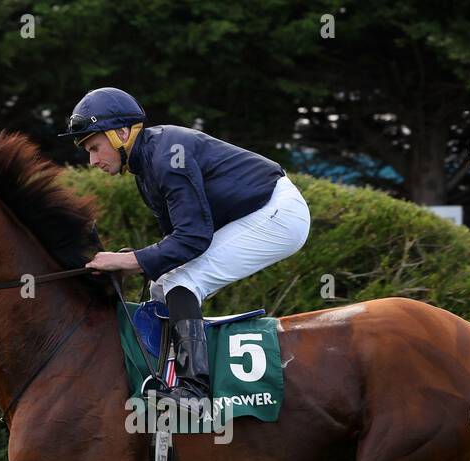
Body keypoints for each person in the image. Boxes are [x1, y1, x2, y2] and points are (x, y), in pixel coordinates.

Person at [61, 87, 311, 407]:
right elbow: (178, 245)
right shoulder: (147, 165)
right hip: (260, 212)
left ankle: (194, 390)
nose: (93, 160)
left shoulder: (165, 157)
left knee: (182, 281)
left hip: (278, 215)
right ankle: (169, 378)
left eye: (95, 148)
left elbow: (192, 240)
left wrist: (130, 261)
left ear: (122, 133)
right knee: (162, 285)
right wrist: (134, 260)